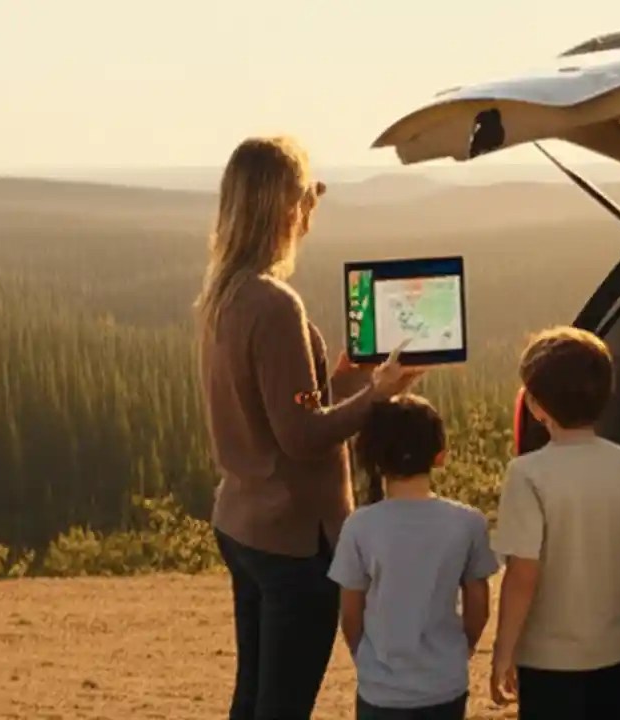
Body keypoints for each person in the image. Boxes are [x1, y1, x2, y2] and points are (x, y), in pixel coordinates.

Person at [196, 135, 423, 720]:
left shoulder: (225, 293)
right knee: (283, 706)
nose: (309, 219)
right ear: (288, 209)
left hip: (245, 523)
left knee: (252, 698)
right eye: (307, 204)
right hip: (293, 538)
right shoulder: (274, 305)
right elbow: (300, 435)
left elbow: (283, 411)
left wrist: (345, 378)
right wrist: (377, 395)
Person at [489, 327, 620, 720]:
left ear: (536, 407)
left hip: (547, 663)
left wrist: (504, 652)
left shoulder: (528, 474)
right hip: (613, 653)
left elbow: (522, 573)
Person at [328, 394, 497, 719]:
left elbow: (351, 613)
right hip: (444, 684)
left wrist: (364, 657)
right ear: (440, 456)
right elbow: (478, 602)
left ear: (375, 459)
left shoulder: (360, 526)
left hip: (381, 691)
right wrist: (464, 647)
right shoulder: (468, 522)